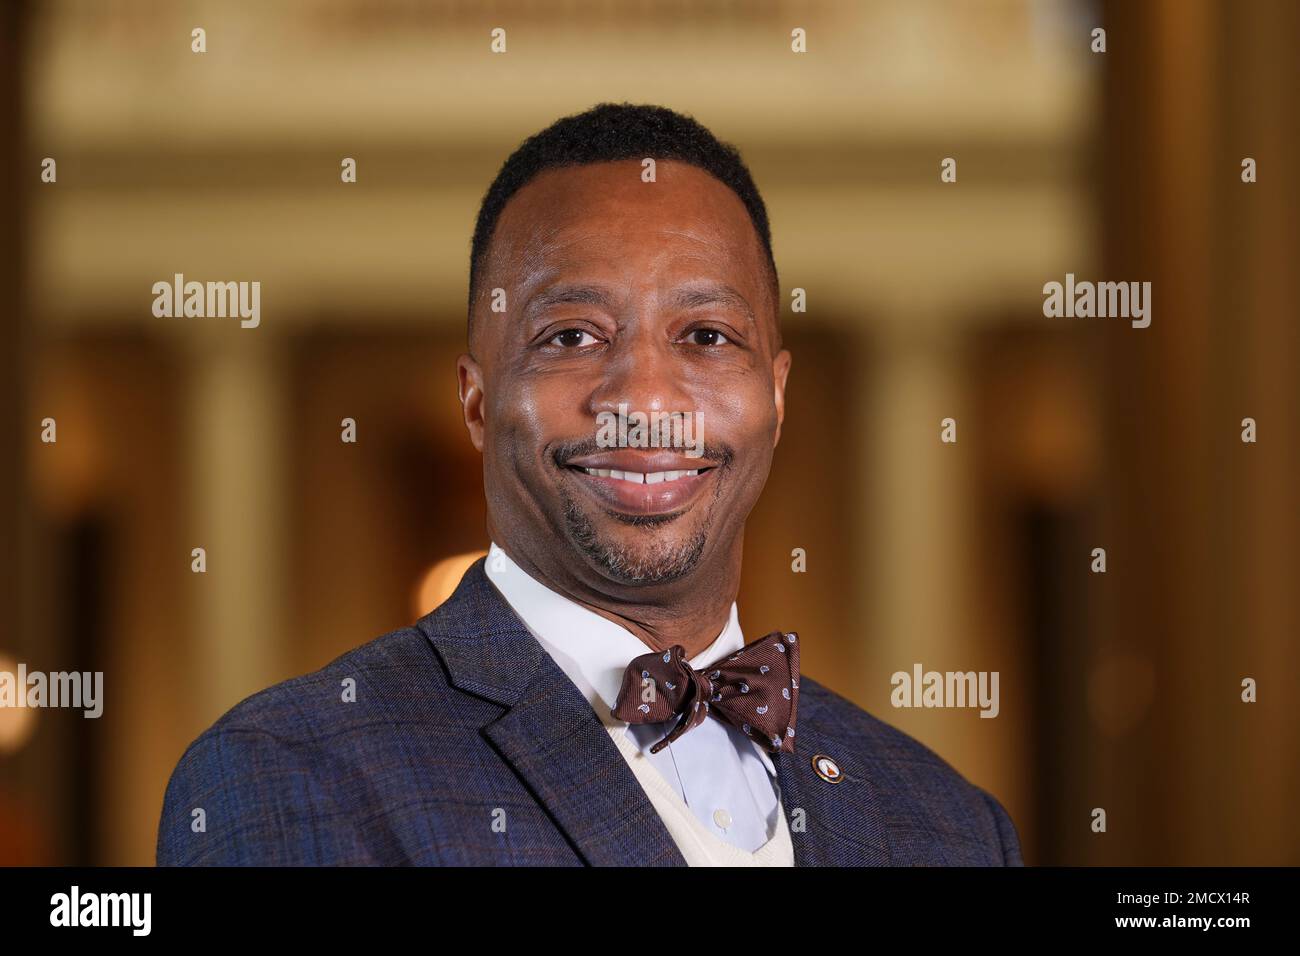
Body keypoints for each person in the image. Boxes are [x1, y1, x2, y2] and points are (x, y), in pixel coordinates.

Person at [156, 102, 1022, 866]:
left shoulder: (950, 825)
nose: (644, 400)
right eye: (572, 336)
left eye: (708, 336)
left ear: (777, 395)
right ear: (477, 400)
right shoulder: (290, 774)